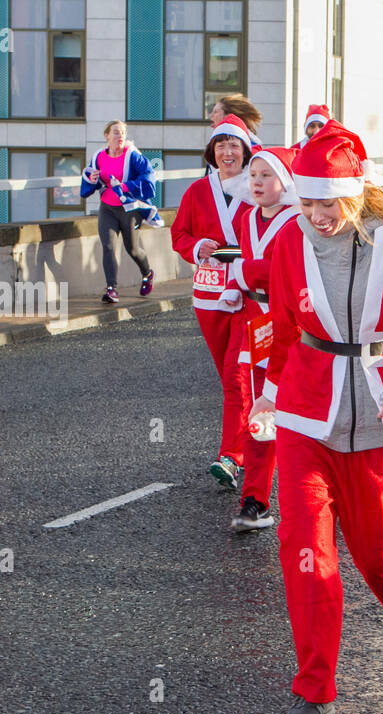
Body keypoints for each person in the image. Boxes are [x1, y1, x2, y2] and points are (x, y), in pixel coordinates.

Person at [247, 120, 383, 714]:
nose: (315, 213)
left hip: (378, 414)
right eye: (305, 200)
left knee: (379, 550)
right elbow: (282, 330)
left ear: (356, 193)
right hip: (306, 413)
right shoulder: (288, 243)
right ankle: (315, 687)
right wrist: (269, 397)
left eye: (327, 201)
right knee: (306, 549)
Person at [170, 114, 258, 492]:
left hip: (248, 295)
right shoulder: (196, 192)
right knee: (229, 379)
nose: (227, 152)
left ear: (245, 151)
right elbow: (179, 234)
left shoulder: (258, 188)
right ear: (212, 152)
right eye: (221, 146)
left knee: (239, 377)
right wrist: (195, 247)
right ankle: (254, 440)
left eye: (233, 146)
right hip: (208, 296)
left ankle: (232, 456)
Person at [218, 146, 303, 532]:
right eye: (253, 175)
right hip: (256, 321)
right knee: (258, 412)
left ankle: (317, 496)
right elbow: (248, 269)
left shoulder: (298, 220)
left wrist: (241, 273)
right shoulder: (247, 218)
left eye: (267, 175)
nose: (257, 182)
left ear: (284, 182)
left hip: (294, 325)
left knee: (301, 414)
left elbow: (286, 272)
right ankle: (256, 499)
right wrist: (238, 287)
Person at [82, 121, 156, 304]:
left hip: (129, 209)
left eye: (123, 132)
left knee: (132, 249)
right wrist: (91, 179)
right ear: (107, 135)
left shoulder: (133, 156)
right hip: (107, 208)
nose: (120, 136)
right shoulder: (99, 156)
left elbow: (148, 178)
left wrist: (125, 186)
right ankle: (112, 289)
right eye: (116, 132)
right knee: (108, 247)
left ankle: (147, 273)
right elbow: (89, 181)